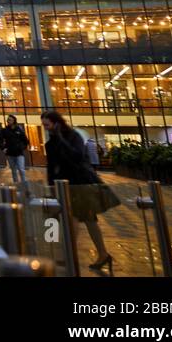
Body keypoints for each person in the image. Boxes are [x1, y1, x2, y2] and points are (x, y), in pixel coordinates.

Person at [42, 110, 118, 270]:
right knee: (73, 218)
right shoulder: (51, 143)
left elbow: (77, 156)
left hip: (81, 183)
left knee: (85, 219)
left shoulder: (73, 137)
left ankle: (72, 254)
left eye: (48, 125)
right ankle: (86, 253)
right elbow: (51, 166)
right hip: (64, 185)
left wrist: (61, 138)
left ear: (57, 123)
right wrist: (50, 187)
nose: (46, 129)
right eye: (44, 126)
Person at [0, 115, 29, 186]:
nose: (8, 121)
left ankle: (24, 185)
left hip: (19, 153)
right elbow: (0, 140)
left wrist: (22, 147)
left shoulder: (19, 130)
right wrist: (3, 148)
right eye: (8, 120)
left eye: (10, 120)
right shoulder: (4, 130)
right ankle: (17, 185)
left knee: (21, 169)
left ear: (14, 121)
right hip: (10, 154)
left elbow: (26, 141)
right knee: (14, 171)